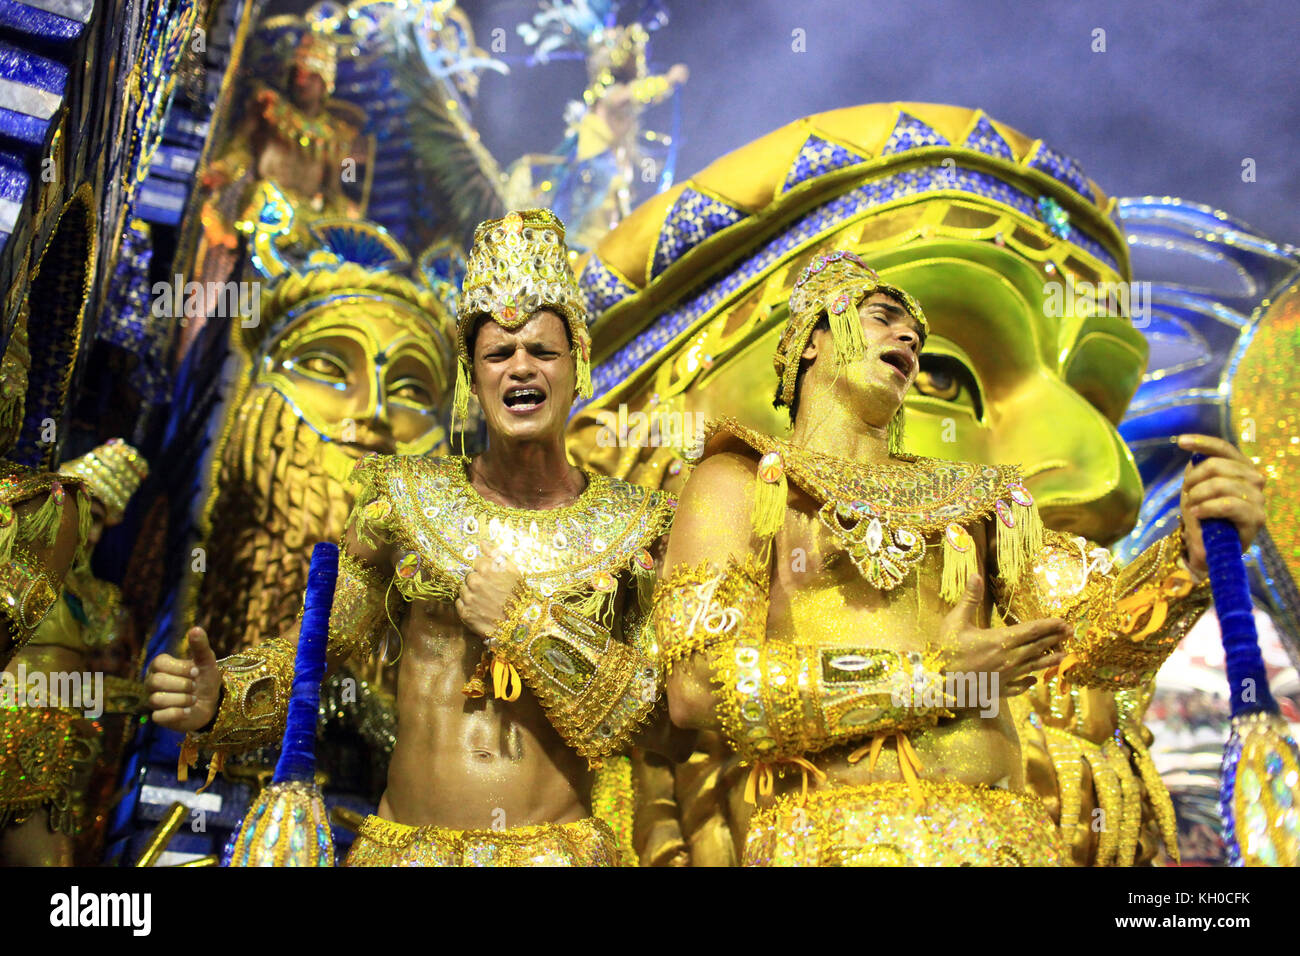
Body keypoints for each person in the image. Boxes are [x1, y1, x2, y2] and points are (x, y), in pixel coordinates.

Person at [654, 250, 1267, 866]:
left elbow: (1084, 641)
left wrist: (1185, 567)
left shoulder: (975, 502)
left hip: (1011, 844)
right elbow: (698, 687)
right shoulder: (739, 478)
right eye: (883, 317)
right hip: (832, 845)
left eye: (918, 337)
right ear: (813, 340)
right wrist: (932, 678)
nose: (907, 338)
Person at [146, 209, 679, 866]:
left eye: (541, 351)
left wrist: (532, 625)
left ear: (578, 364)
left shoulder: (639, 523)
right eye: (497, 353)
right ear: (471, 374)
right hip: (405, 853)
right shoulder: (403, 498)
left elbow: (665, 717)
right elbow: (324, 642)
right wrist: (222, 696)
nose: (520, 369)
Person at [0, 439, 149, 865]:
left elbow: (97, 686)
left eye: (100, 522)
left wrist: (136, 697)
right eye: (85, 516)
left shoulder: (102, 602)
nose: (91, 532)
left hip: (63, 753)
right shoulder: (20, 577)